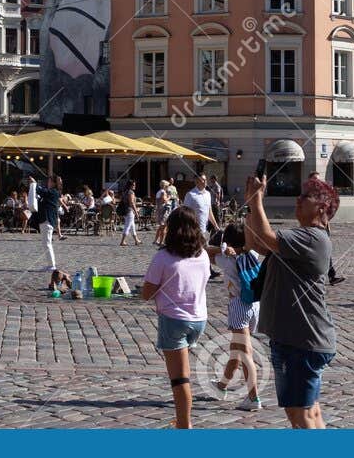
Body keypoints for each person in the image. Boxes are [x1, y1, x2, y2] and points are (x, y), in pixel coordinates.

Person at [245, 172, 338, 429]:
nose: (298, 199)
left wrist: (257, 199)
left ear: (321, 207)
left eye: (305, 197)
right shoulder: (302, 236)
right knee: (308, 411)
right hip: (295, 339)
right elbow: (257, 244)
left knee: (301, 414)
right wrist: (252, 204)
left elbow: (265, 237)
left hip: (302, 340)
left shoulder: (313, 238)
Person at [141, 207, 210, 429]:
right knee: (183, 372)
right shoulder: (203, 255)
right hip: (199, 319)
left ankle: (184, 424)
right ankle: (182, 420)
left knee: (180, 379)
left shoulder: (163, 257)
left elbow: (147, 293)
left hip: (174, 320)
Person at [210, 223, 262, 410]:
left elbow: (204, 252)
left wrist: (222, 249)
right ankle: (222, 386)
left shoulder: (227, 261)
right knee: (236, 350)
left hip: (239, 306)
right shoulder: (252, 254)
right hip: (255, 304)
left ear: (228, 241)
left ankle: (253, 398)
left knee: (246, 353)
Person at [35, 175, 62, 271]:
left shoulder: (53, 192)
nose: (48, 183)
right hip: (46, 219)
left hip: (47, 220)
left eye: (49, 181)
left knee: (47, 243)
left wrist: (34, 183)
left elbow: (41, 191)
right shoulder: (52, 192)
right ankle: (50, 264)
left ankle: (52, 265)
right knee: (46, 242)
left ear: (53, 183)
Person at [183, 174, 215, 239]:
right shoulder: (190, 195)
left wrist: (216, 226)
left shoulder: (208, 194)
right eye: (203, 180)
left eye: (206, 179)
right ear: (196, 182)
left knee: (205, 244)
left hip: (205, 229)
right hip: (194, 230)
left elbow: (209, 211)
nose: (205, 181)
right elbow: (185, 213)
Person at [119, 182, 141, 246]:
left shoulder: (125, 192)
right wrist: (136, 212)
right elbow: (132, 203)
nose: (135, 186)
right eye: (133, 185)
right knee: (128, 226)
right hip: (130, 210)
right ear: (130, 185)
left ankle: (136, 240)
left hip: (126, 210)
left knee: (132, 225)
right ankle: (122, 241)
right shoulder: (131, 192)